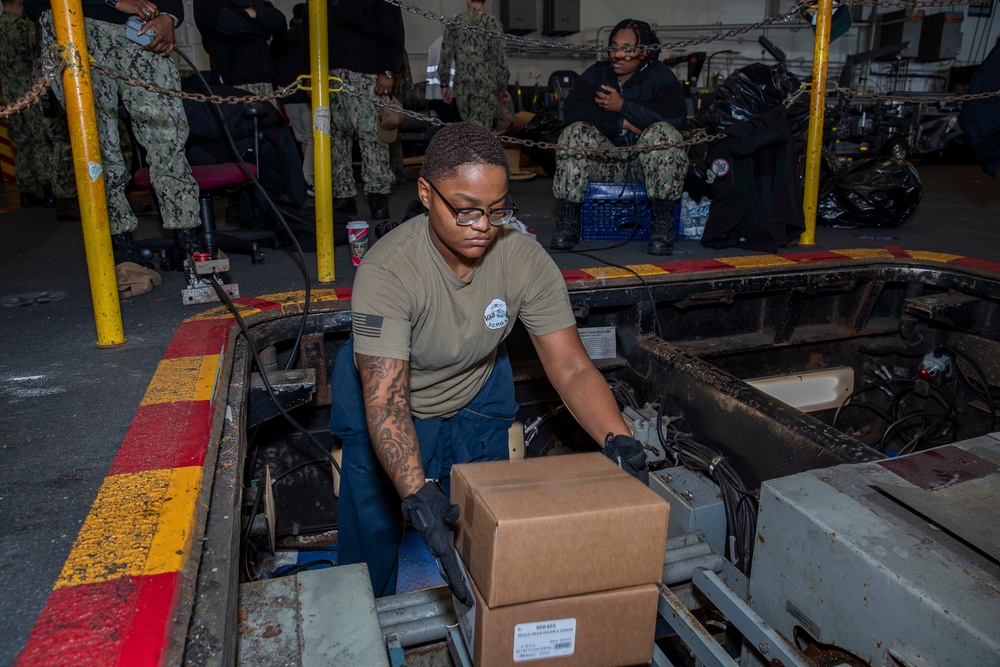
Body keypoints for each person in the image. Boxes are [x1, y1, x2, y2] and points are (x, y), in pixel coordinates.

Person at [329, 122, 649, 601]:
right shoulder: (389, 270)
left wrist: (618, 438)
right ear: (425, 192)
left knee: (487, 524)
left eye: (497, 211)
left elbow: (571, 367)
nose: (482, 226)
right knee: (372, 537)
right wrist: (416, 493)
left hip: (474, 388)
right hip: (389, 397)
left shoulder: (522, 259)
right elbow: (387, 402)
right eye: (465, 210)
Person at [28, 0, 204, 264]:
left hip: (139, 26)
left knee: (167, 135)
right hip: (75, 21)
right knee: (98, 145)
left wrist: (169, 14)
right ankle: (120, 248)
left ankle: (188, 240)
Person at [550, 19, 688, 256]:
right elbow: (572, 110)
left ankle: (662, 228)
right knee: (575, 132)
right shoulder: (598, 73)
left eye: (627, 48)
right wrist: (620, 122)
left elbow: (675, 117)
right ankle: (569, 224)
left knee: (664, 134)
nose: (618, 54)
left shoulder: (660, 76)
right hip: (607, 164)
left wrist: (623, 105)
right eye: (614, 46)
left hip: (643, 167)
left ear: (644, 52)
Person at [326, 0, 404, 220]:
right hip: (331, 75)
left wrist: (388, 71)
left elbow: (393, 30)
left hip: (369, 74)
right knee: (336, 137)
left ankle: (377, 193)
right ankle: (343, 195)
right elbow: (309, 34)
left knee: (372, 135)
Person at [0, 0, 76, 213]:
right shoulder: (26, 27)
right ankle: (50, 190)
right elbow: (41, 55)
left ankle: (25, 192)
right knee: (42, 139)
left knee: (23, 143)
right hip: (32, 92)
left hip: (9, 95)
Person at [439, 0, 510, 130]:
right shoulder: (492, 22)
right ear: (486, 1)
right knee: (480, 135)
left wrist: (444, 84)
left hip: (462, 88)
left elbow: (445, 55)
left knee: (467, 132)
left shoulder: (455, 21)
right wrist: (503, 87)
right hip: (485, 88)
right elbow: (501, 59)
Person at [194, 0, 286, 98]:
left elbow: (280, 22)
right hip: (233, 85)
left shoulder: (256, 2)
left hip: (266, 83)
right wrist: (267, 32)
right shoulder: (207, 3)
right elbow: (238, 26)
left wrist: (255, 13)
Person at [270, 2, 312, 194]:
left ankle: (305, 178)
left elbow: (272, 62)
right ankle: (308, 179)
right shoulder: (311, 38)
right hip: (308, 94)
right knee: (312, 138)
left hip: (287, 94)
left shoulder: (282, 38)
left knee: (302, 138)